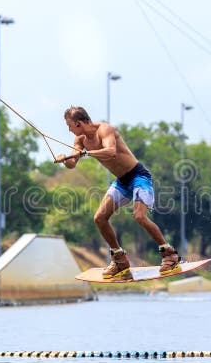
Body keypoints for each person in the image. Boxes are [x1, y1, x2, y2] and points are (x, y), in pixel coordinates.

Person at [56, 106, 180, 280]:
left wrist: (87, 153)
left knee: (139, 216)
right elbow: (73, 162)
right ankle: (120, 259)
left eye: (69, 125)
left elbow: (110, 152)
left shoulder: (105, 129)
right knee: (99, 217)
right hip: (121, 182)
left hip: (138, 176)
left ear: (78, 123)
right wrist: (64, 159)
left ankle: (169, 254)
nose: (68, 129)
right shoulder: (80, 140)